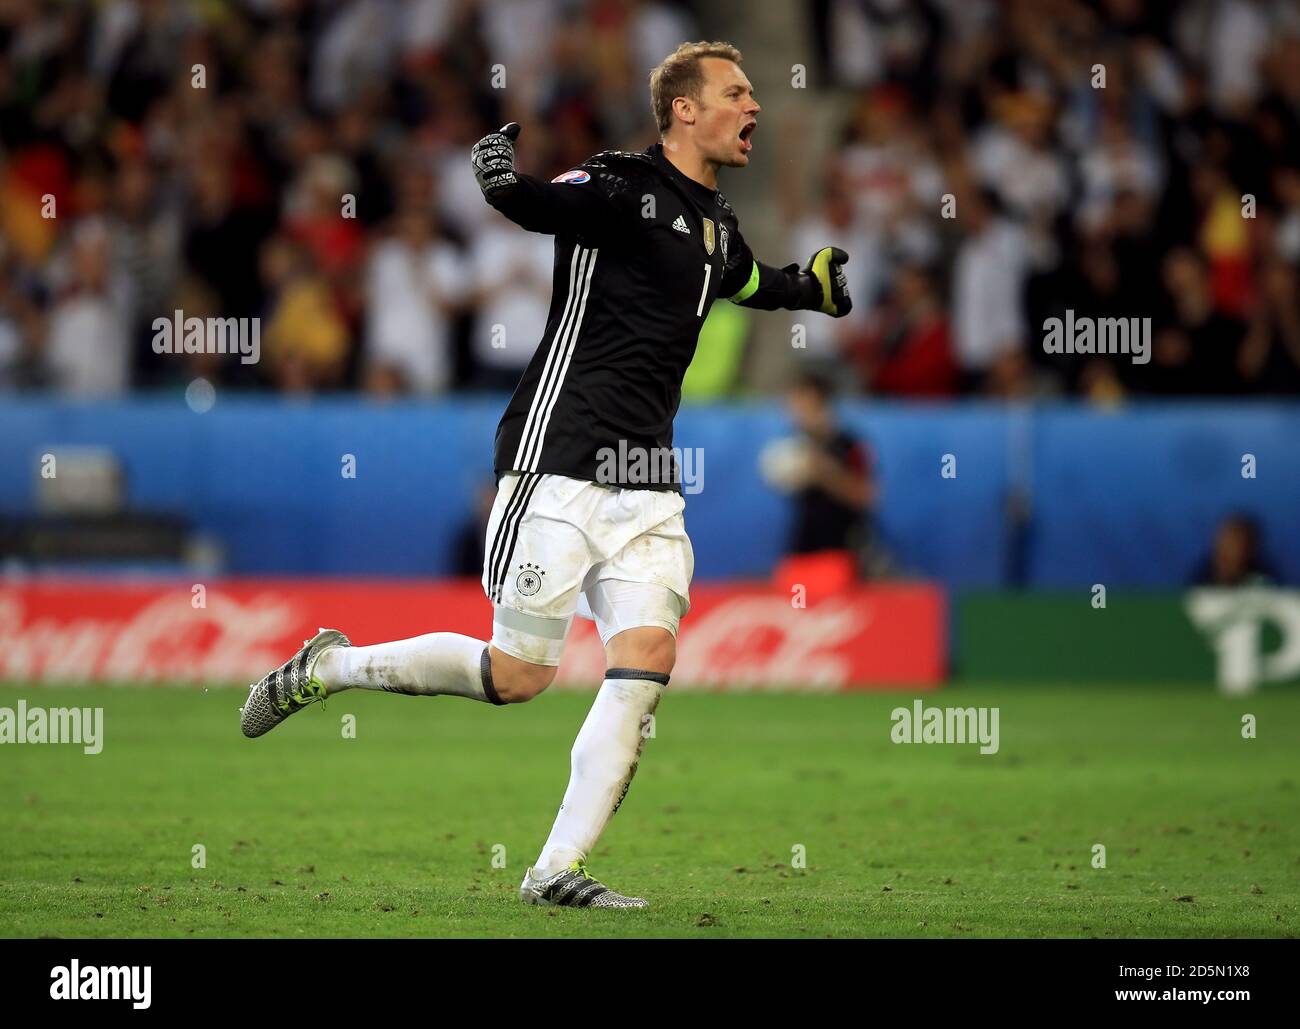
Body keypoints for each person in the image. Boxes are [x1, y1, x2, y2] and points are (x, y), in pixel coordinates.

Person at [239, 41, 852, 909]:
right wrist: (500, 182)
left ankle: (554, 868)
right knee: (517, 674)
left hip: (647, 482)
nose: (755, 106)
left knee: (644, 665)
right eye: (737, 92)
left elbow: (746, 279)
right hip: (556, 460)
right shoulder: (617, 184)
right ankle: (330, 668)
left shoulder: (717, 228)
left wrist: (809, 289)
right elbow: (538, 205)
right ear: (683, 108)